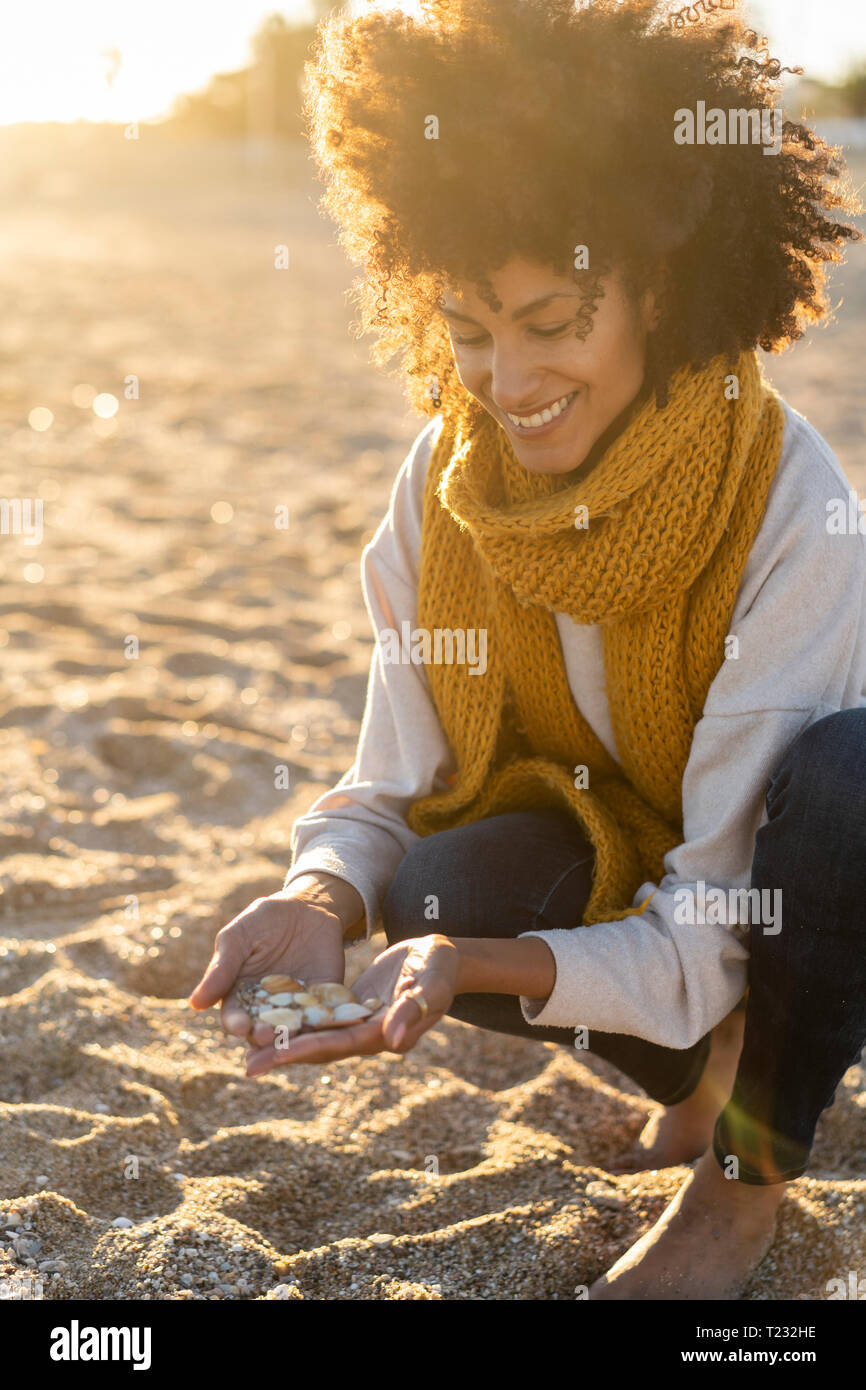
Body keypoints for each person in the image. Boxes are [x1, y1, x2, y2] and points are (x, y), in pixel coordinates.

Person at [190, 0, 866, 1299]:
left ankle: (739, 1191)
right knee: (433, 882)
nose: (506, 379)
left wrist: (469, 972)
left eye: (553, 318)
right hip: (643, 859)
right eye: (467, 327)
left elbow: (725, 915)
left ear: (656, 287)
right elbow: (385, 785)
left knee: (849, 781)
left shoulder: (789, 501)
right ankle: (703, 1068)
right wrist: (321, 897)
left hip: (814, 874)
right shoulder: (447, 484)